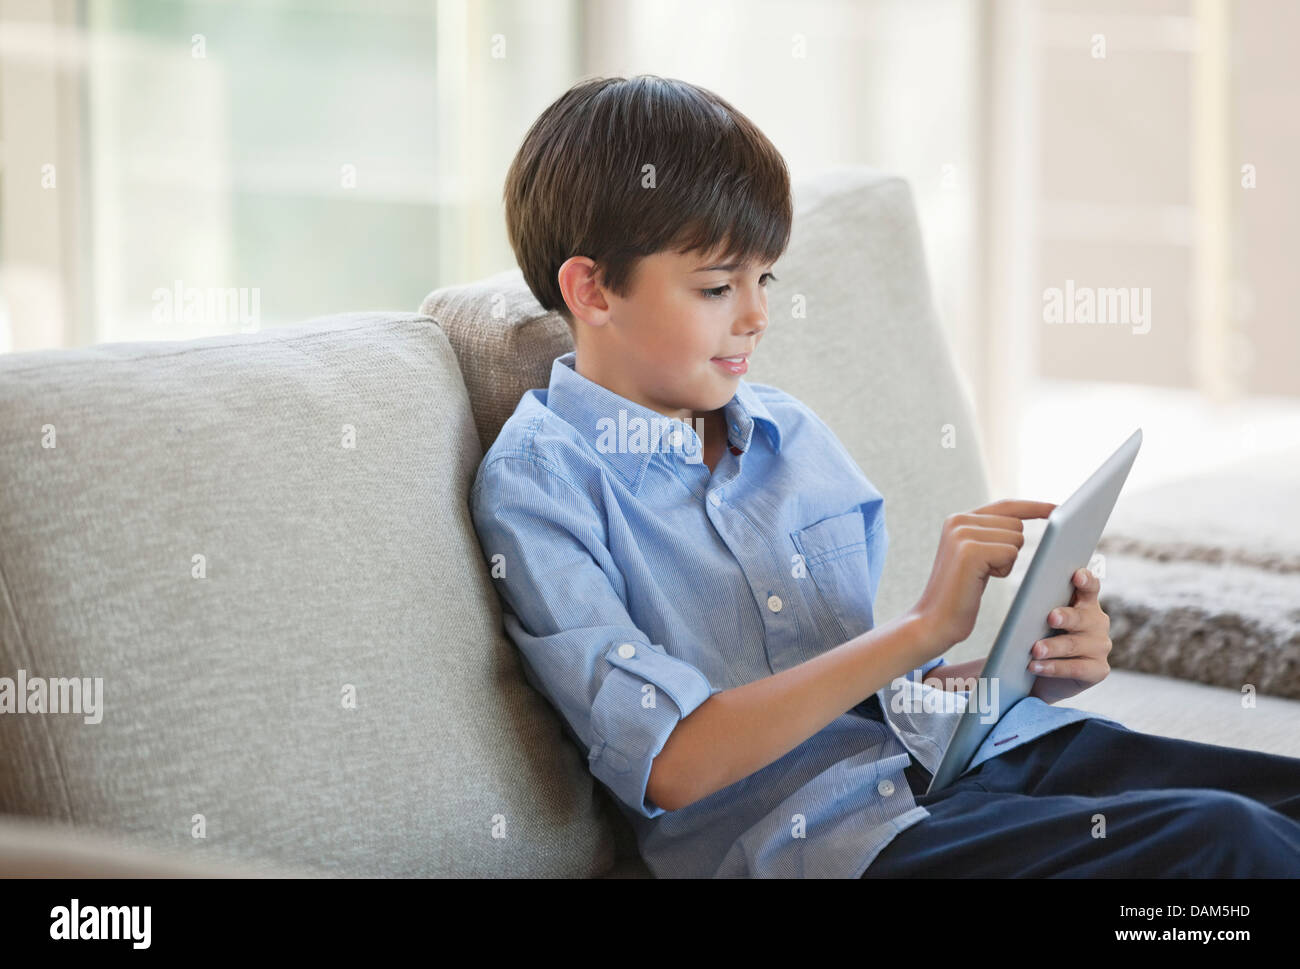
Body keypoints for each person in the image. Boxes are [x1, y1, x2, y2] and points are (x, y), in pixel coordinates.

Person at [469, 74, 1300, 878]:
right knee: (1227, 845)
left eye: (765, 279)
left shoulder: (788, 433)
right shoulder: (542, 485)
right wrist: (922, 626)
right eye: (718, 286)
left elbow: (875, 694)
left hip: (966, 755)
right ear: (591, 289)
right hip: (844, 842)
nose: (757, 315)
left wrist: (1029, 667)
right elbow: (674, 762)